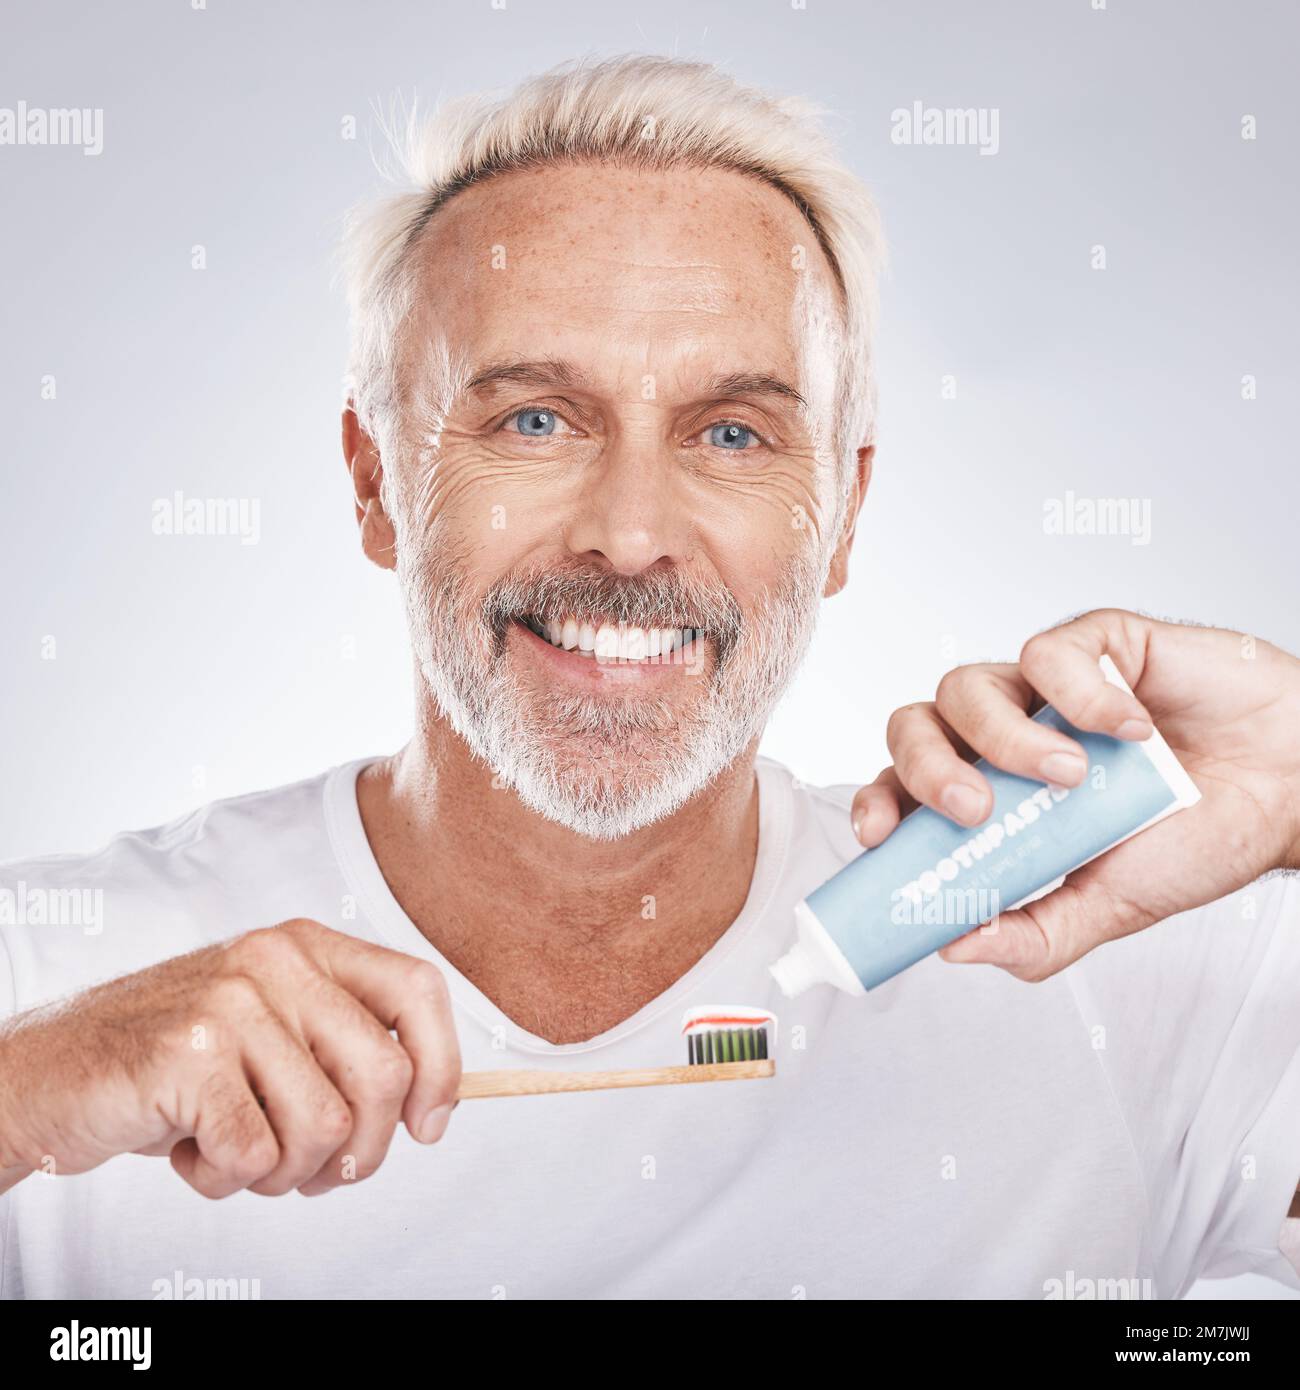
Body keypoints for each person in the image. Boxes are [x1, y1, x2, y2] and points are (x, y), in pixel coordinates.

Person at [2, 54, 1297, 1300]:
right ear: (373, 480)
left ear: (841, 515)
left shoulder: (1120, 977)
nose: (628, 533)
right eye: (535, 420)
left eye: (732, 431)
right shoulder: (50, 989)